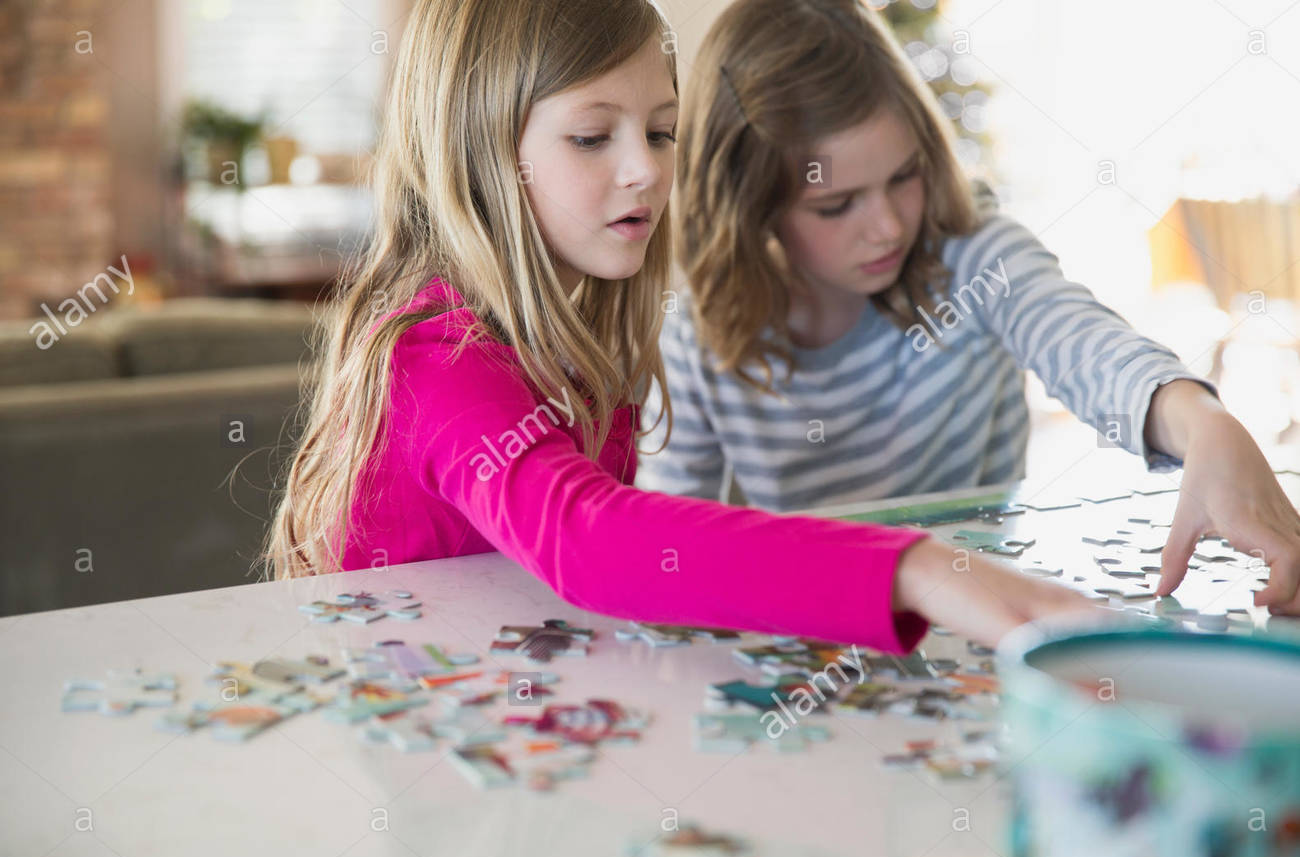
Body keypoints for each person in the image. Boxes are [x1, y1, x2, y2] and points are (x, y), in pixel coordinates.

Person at [264, 0, 1097, 650]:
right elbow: (592, 541)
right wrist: (910, 565)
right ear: (478, 153)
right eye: (593, 136)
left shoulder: (579, 331)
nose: (646, 171)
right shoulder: (433, 356)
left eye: (663, 132)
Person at [638, 0, 1300, 615]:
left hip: (990, 621)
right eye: (837, 204)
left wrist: (1202, 420)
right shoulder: (697, 341)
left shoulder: (976, 259)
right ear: (752, 207)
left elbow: (1086, 345)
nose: (889, 226)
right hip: (813, 637)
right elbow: (668, 556)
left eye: (905, 176)